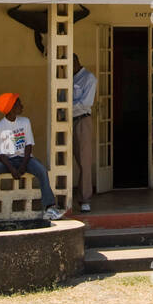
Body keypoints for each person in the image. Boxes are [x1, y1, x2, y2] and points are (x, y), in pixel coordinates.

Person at [0, 93, 64, 229]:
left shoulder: (25, 122)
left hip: (25, 159)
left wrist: (23, 165)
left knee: (42, 171)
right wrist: (13, 169)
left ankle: (49, 208)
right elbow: (1, 155)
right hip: (7, 162)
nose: (22, 106)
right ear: (11, 108)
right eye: (18, 103)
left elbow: (28, 145)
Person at [71, 53, 99, 213]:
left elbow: (86, 103)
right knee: (63, 159)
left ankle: (85, 198)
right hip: (66, 121)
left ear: (76, 61)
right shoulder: (68, 77)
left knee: (84, 160)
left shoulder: (89, 78)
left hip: (82, 120)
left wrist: (66, 105)